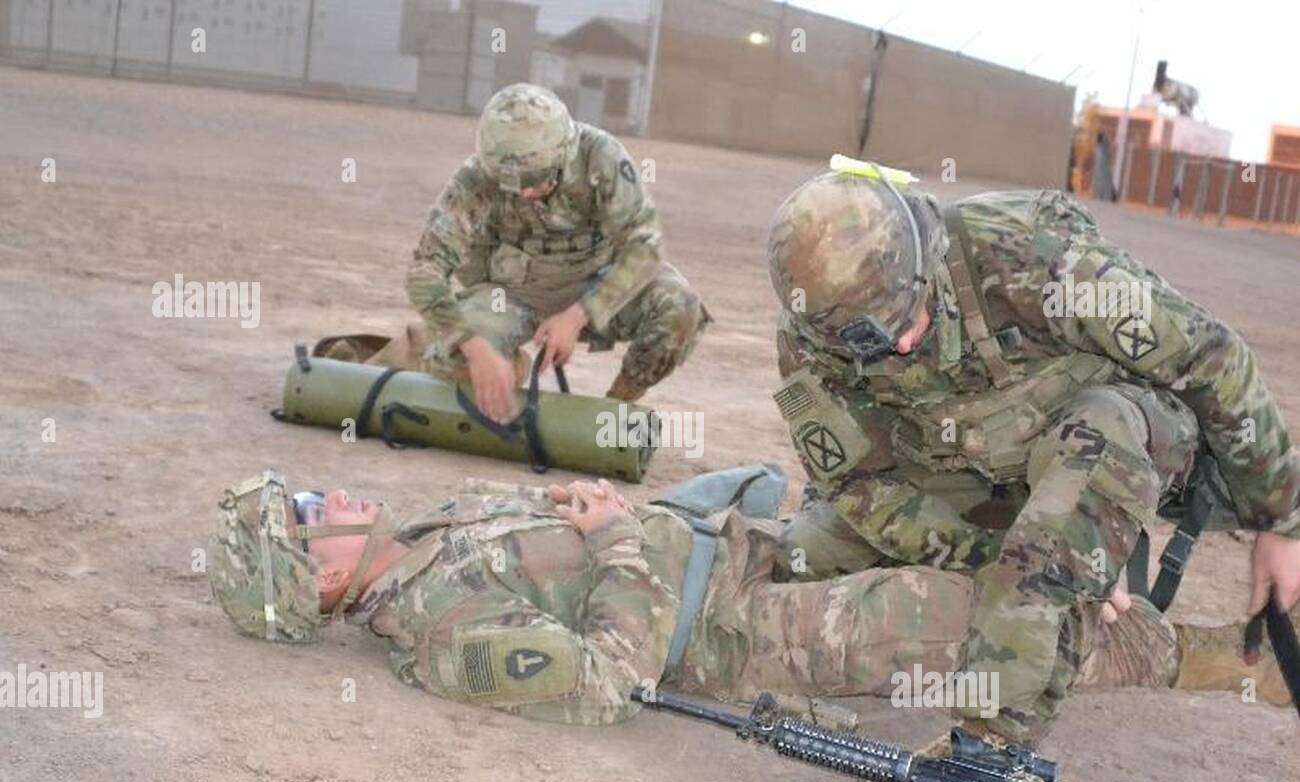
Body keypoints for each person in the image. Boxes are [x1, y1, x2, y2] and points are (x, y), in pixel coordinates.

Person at [766, 163, 1300, 747]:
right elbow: (862, 487)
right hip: (970, 476)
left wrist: (1280, 519)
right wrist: (1009, 555)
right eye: (872, 338)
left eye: (907, 315)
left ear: (927, 257)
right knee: (804, 555)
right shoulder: (812, 335)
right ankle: (1091, 623)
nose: (901, 344)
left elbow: (1213, 359)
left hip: (1118, 443)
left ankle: (990, 743)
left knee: (1095, 437)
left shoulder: (1032, 257)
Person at [206, 469, 1290, 733]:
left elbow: (546, 528)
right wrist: (620, 537)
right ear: (318, 577)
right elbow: (606, 684)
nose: (332, 495)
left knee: (938, 496)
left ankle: (1109, 584)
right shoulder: (439, 634)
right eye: (308, 512)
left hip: (733, 544)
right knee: (974, 620)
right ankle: (1239, 666)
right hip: (730, 628)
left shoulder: (427, 531)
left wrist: (590, 508)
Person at [405, 83, 710, 423]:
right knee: (450, 361)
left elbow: (646, 246)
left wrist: (580, 315)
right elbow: (424, 269)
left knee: (679, 307)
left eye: (538, 181)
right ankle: (506, 366)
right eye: (515, 185)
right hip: (514, 294)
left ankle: (615, 408)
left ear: (563, 154)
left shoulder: (600, 156)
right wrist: (476, 348)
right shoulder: (476, 177)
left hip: (598, 286)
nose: (526, 194)